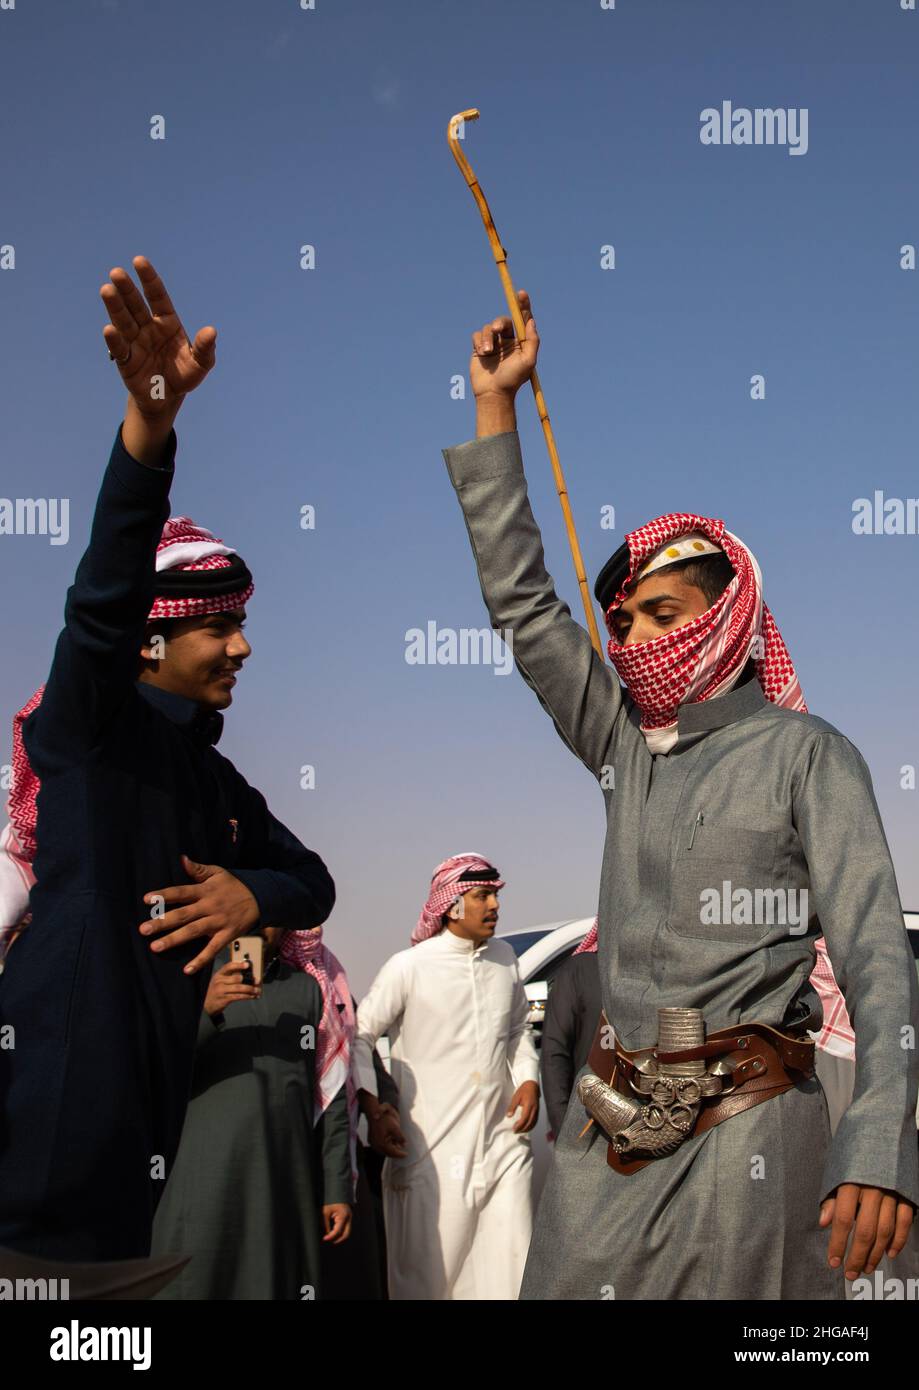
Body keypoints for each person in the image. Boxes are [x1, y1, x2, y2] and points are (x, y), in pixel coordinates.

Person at [440, 289, 919, 1300]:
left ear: (729, 616)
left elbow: (876, 957)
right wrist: (495, 409)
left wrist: (878, 1134)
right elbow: (525, 610)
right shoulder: (626, 744)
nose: (638, 642)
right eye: (625, 624)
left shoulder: (806, 755)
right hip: (607, 1136)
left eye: (665, 614)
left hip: (747, 1140)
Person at [0, 257, 334, 1262]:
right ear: (153, 640)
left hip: (138, 1143)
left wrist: (248, 892)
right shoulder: (91, 727)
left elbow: (312, 880)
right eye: (220, 627)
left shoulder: (216, 781)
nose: (241, 648)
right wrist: (149, 429)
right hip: (42, 1139)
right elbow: (100, 598)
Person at [352, 854, 539, 1299]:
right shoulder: (409, 967)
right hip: (429, 1151)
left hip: (501, 1144)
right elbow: (359, 1035)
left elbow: (516, 1030)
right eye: (482, 896)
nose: (494, 905)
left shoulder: (505, 958)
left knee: (510, 1264)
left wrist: (528, 1078)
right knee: (431, 1277)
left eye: (495, 895)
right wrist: (373, 1108)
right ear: (452, 906)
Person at [151, 926, 353, 1300]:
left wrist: (337, 1188)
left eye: (271, 910)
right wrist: (206, 1011)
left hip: (285, 1182)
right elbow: (146, 1068)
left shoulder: (309, 989)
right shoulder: (187, 977)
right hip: (202, 1182)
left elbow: (330, 1097)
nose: (261, 922)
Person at [540, 927, 601, 1140]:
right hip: (591, 1124)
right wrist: (564, 1132)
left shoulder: (661, 972)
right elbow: (555, 1053)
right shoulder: (580, 970)